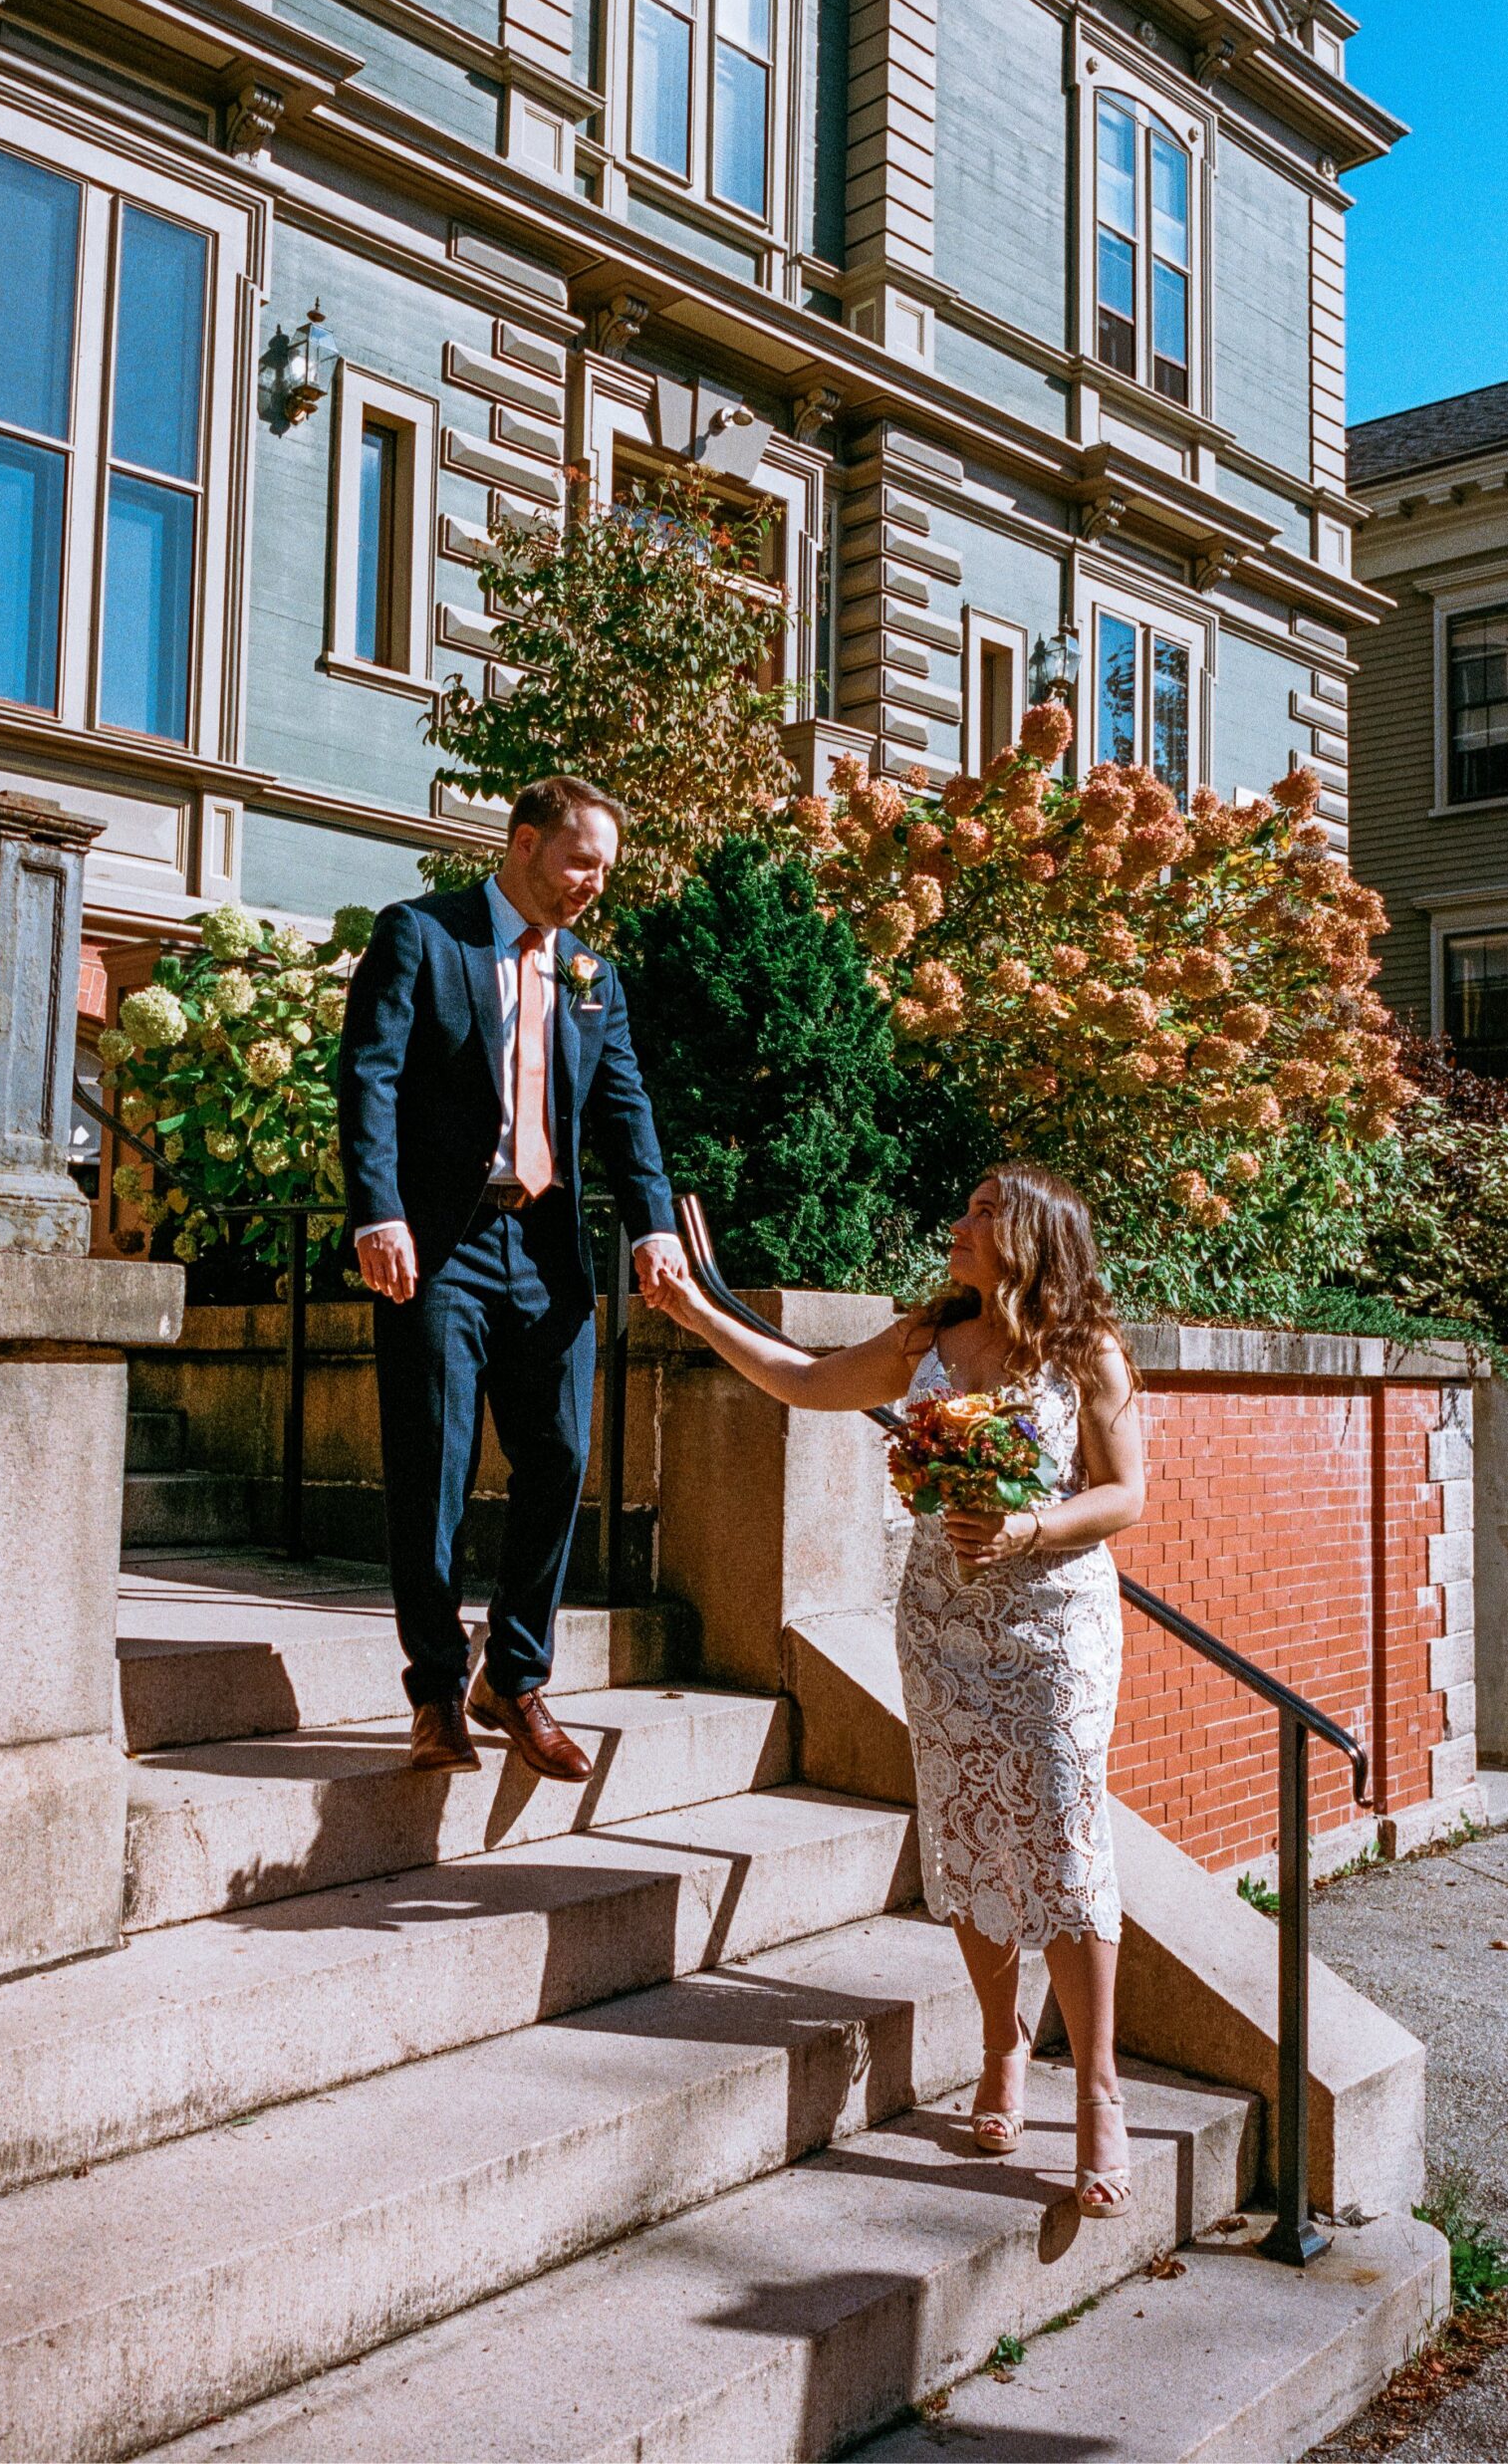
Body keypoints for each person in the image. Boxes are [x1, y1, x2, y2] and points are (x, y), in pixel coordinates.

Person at [652, 1163, 1145, 2216]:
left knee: (1062, 1838)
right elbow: (802, 1379)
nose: (957, 1224)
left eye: (977, 1212)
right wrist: (699, 1312)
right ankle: (999, 2046)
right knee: (965, 1832)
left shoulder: (1082, 1349)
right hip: (939, 1623)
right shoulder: (926, 1336)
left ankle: (1098, 2091)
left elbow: (1123, 1492)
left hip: (1054, 1624)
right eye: (961, 1208)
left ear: (1030, 1235)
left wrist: (1029, 1526)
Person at [338, 774, 691, 1782]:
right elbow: (369, 1074)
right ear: (525, 842)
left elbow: (624, 1109)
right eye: (580, 861)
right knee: (434, 1470)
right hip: (438, 1246)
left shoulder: (589, 974)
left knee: (561, 1455)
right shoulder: (422, 934)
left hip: (544, 1251)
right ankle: (439, 1691)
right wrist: (378, 1209)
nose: (593, 884)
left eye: (605, 869)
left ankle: (516, 1675)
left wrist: (651, 1226)